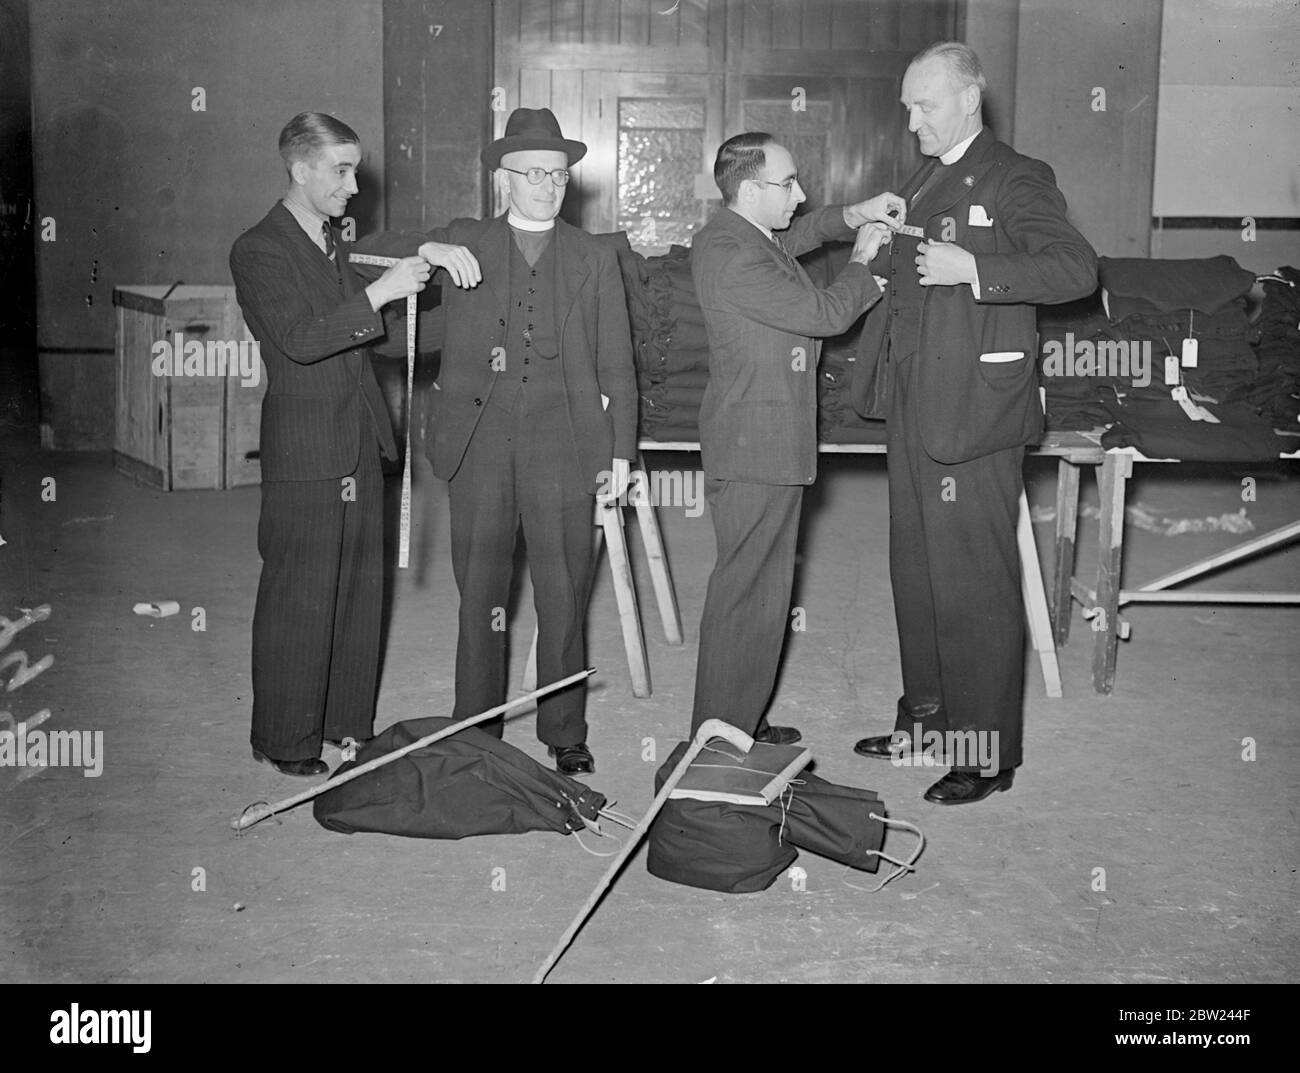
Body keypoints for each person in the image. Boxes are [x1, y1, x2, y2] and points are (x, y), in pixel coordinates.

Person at [850, 42, 1098, 804]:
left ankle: (985, 752)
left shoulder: (1015, 175)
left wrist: (978, 271)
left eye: (923, 105)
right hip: (916, 403)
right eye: (907, 106)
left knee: (975, 585)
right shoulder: (926, 177)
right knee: (918, 573)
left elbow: (1075, 269)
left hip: (976, 411)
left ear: (968, 99)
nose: (911, 119)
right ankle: (926, 719)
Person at [358, 107, 635, 775]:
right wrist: (427, 251)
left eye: (558, 174)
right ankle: (475, 724)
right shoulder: (464, 240)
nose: (547, 184)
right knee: (480, 591)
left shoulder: (595, 257)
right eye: (532, 172)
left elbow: (618, 364)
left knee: (562, 592)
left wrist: (620, 456)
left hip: (565, 447)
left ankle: (564, 726)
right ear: (503, 179)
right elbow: (361, 249)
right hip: (478, 445)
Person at [230, 112, 473, 776]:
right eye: (340, 171)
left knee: (360, 592)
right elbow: (302, 339)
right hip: (307, 447)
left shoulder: (332, 243)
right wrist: (381, 290)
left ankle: (344, 726)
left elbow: (374, 338)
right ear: (300, 169)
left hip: (362, 439)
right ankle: (284, 737)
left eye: (354, 171)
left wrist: (469, 323)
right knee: (301, 592)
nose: (351, 186)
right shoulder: (260, 249)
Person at [688, 132, 902, 743]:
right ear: (751, 190)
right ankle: (719, 735)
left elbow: (795, 240)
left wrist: (851, 216)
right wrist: (862, 260)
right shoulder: (735, 256)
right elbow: (827, 316)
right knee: (745, 595)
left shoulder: (742, 235)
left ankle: (740, 721)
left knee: (762, 593)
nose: (801, 195)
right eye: (789, 184)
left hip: (763, 442)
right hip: (755, 446)